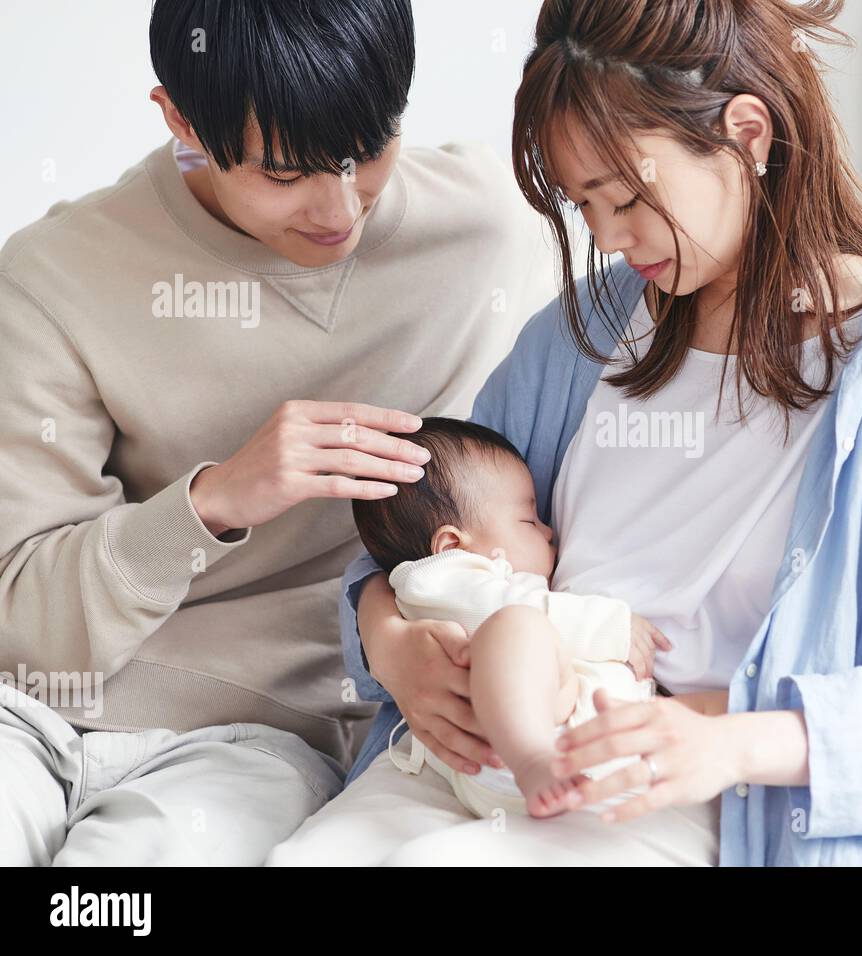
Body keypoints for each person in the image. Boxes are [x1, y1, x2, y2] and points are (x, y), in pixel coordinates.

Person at [267, 0, 862, 867]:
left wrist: (729, 742)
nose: (606, 236)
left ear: (747, 135)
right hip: (464, 778)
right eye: (583, 204)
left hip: (688, 807)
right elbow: (420, 530)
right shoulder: (581, 336)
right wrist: (389, 635)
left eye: (629, 196)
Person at [0, 0, 553, 865]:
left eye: (367, 151)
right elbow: (18, 617)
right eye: (287, 173)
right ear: (181, 118)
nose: (339, 209)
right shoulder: (49, 279)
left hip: (256, 739)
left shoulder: (491, 232)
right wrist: (214, 502)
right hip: (24, 715)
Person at [351, 415, 675, 817]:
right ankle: (536, 762)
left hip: (581, 754)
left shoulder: (453, 580)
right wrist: (611, 626)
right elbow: (515, 612)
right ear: (452, 544)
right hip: (510, 755)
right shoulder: (440, 578)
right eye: (529, 520)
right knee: (514, 624)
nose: (549, 532)